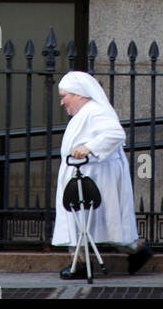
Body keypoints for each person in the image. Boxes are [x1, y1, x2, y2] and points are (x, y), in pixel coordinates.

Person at [52, 71, 152, 279]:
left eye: (64, 96)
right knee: (83, 218)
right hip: (85, 174)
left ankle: (133, 250)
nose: (62, 102)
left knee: (97, 219)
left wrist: (89, 147)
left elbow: (115, 133)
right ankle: (79, 262)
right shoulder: (85, 113)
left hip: (97, 176)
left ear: (78, 94)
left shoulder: (94, 111)